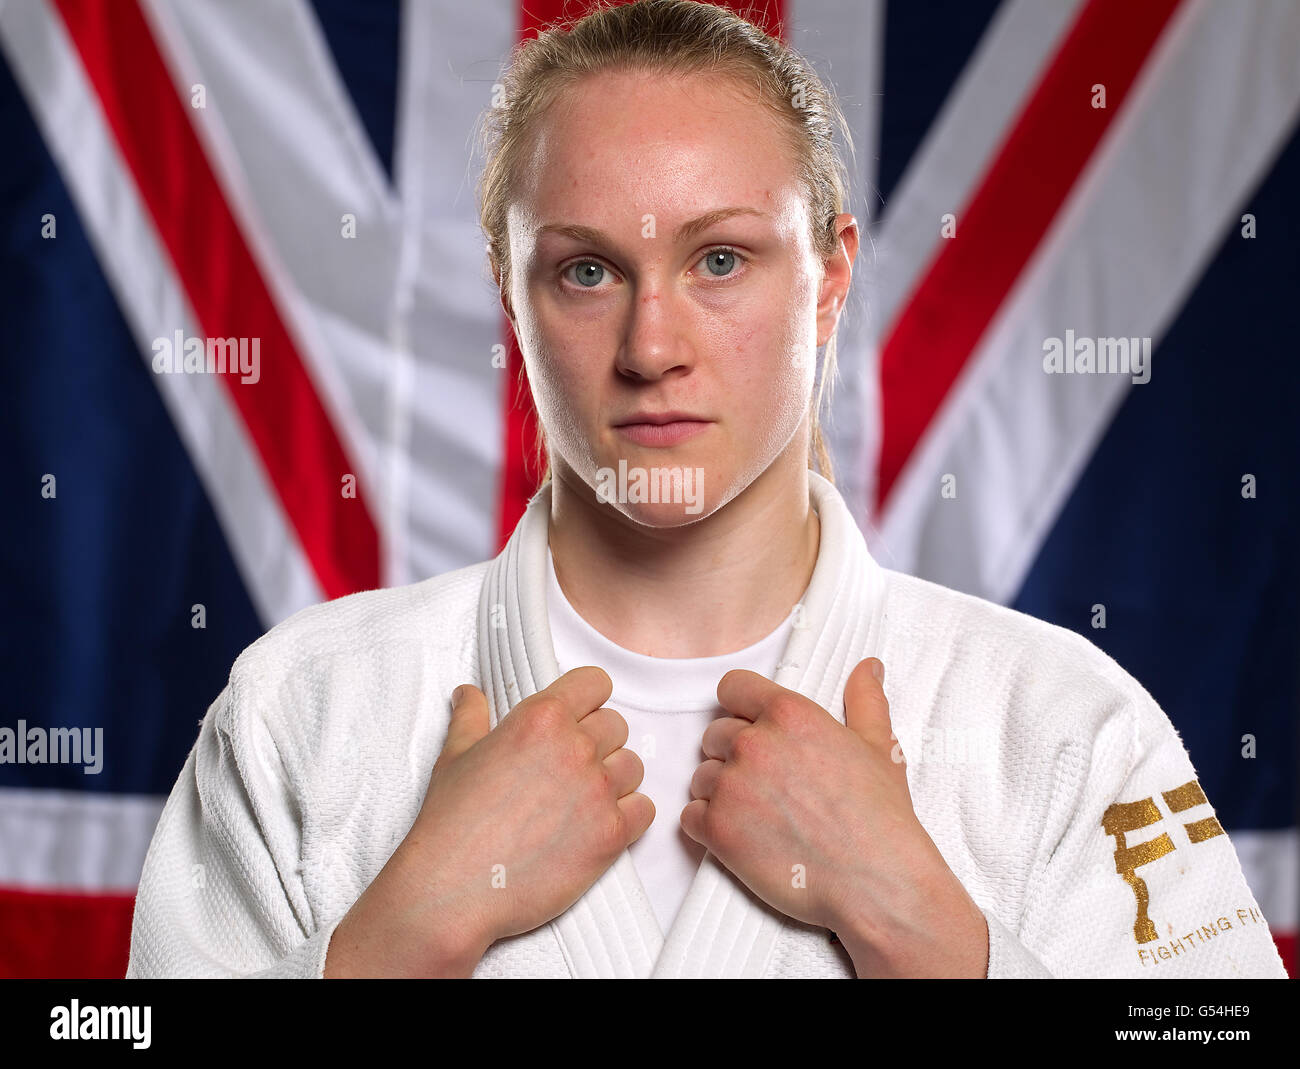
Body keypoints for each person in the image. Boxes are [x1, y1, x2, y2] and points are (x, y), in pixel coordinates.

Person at [126, 0, 1288, 979]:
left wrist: (932, 933)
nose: (652, 344)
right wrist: (397, 933)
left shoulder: (1059, 723)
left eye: (720, 259)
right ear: (507, 289)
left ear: (829, 277)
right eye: (587, 270)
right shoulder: (305, 714)